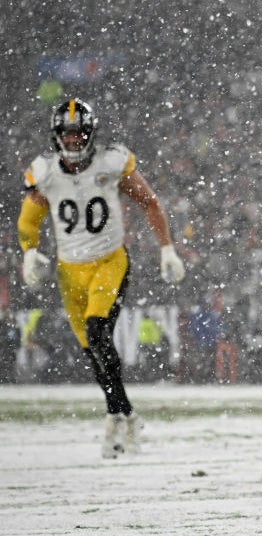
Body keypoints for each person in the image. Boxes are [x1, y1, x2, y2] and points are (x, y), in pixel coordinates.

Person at [16, 98, 186, 458]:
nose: (75, 141)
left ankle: (114, 417)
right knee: (93, 351)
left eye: (80, 134)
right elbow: (28, 221)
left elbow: (149, 202)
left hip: (109, 260)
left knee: (97, 332)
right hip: (68, 271)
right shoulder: (45, 171)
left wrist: (166, 246)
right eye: (69, 134)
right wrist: (29, 250)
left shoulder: (112, 162)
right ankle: (127, 414)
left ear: (91, 134)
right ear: (57, 135)